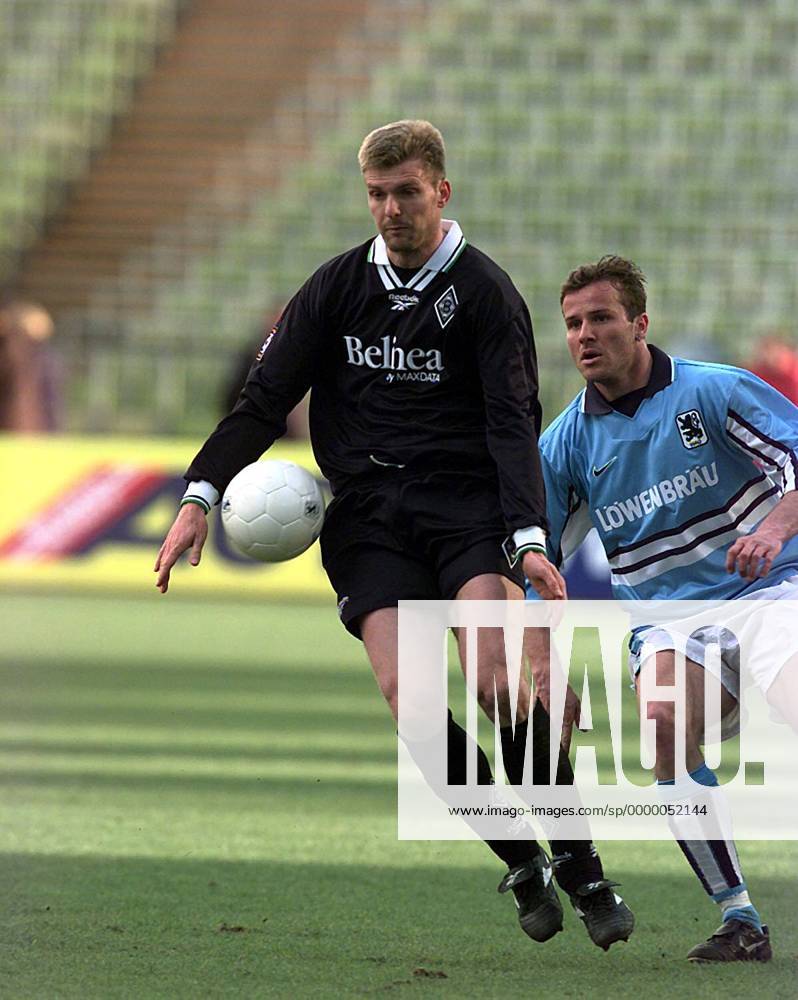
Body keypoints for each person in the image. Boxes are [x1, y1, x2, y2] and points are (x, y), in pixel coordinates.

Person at [154, 121, 633, 949]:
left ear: (440, 192)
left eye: (406, 193)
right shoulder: (337, 287)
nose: (390, 210)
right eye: (377, 195)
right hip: (371, 518)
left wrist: (527, 539)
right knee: (407, 701)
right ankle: (523, 862)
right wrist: (201, 492)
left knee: (493, 687)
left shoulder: (484, 292)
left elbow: (513, 425)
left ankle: (582, 864)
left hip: (468, 512)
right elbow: (264, 398)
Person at [539, 254, 798, 963]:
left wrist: (773, 529)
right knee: (659, 723)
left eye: (600, 318)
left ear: (640, 324)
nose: (584, 335)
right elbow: (535, 565)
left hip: (773, 590)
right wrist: (544, 669)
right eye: (571, 324)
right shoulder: (564, 445)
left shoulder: (716, 393)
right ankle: (740, 918)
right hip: (673, 623)